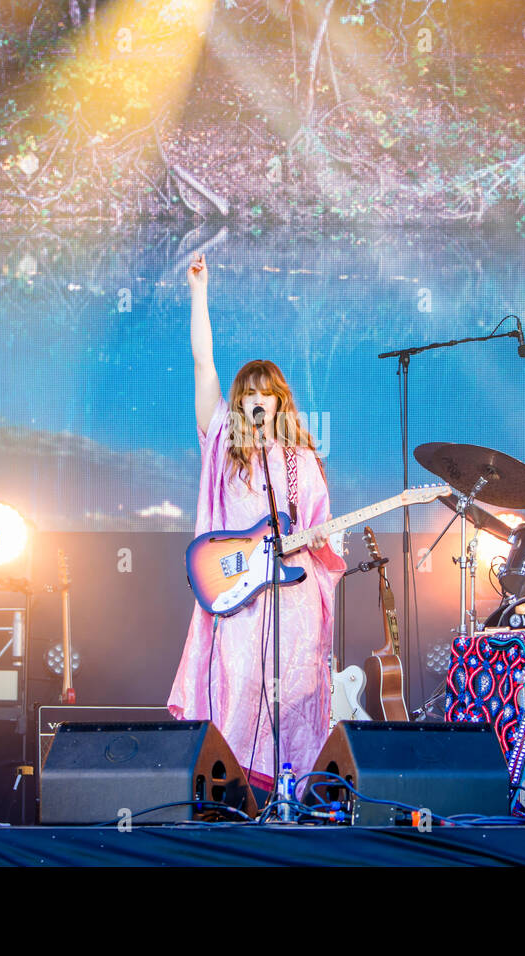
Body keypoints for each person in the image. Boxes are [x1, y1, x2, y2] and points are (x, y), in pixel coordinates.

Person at [167, 253, 345, 794]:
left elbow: (323, 533)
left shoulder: (300, 460)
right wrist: (199, 294)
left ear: (279, 400)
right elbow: (203, 365)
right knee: (239, 685)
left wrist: (317, 540)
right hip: (240, 595)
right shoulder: (220, 439)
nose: (254, 400)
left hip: (293, 603)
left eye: (264, 392)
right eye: (247, 393)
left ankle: (289, 798)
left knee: (292, 696)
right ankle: (230, 793)